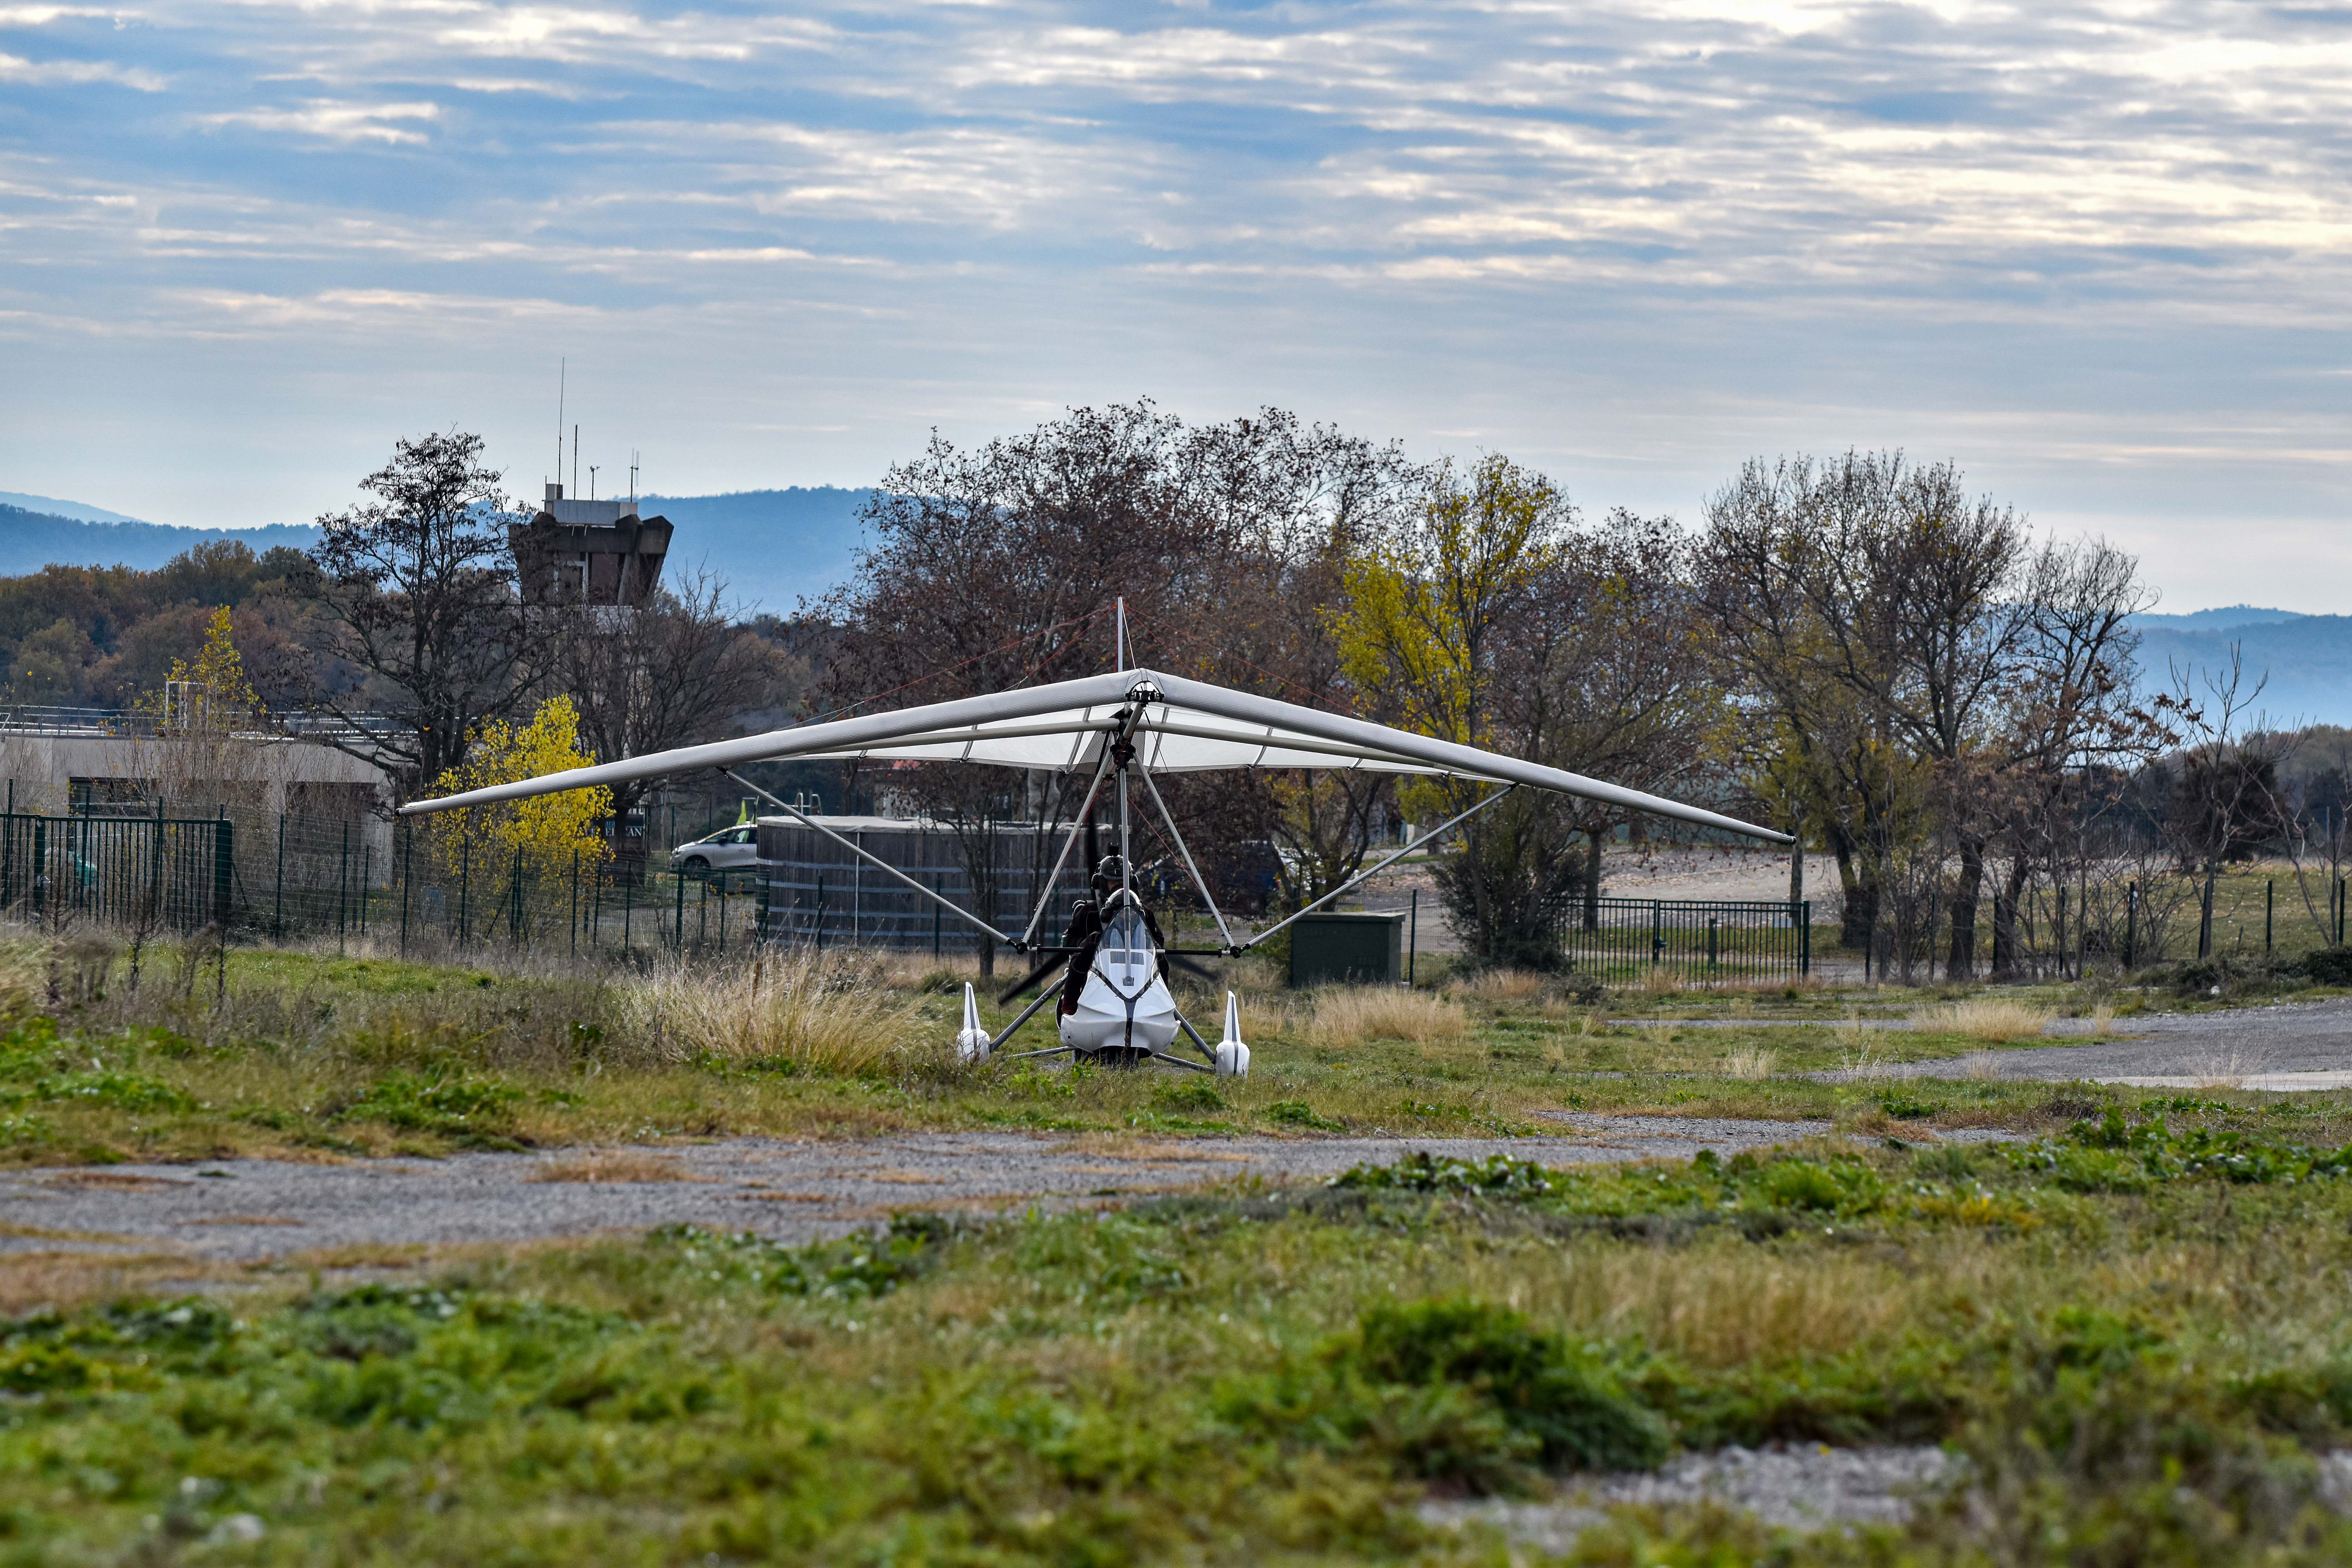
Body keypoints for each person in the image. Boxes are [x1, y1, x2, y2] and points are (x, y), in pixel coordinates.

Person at [1058, 855, 1166, 1013]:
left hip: (1137, 974)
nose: (1119, 888)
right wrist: (1091, 945)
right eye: (1114, 883)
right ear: (1102, 884)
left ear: (1132, 884)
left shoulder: (1144, 913)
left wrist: (1151, 946)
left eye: (1123, 883)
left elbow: (1158, 940)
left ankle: (1162, 1007)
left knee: (1161, 956)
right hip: (1095, 974)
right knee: (1093, 940)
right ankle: (1070, 1006)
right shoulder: (1089, 912)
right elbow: (1071, 940)